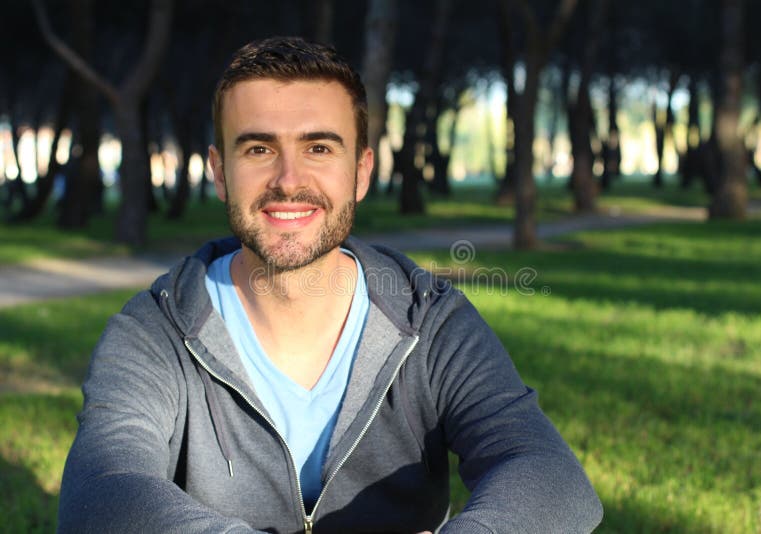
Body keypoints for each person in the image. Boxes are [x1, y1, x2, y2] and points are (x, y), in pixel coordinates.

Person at [58, 37, 602, 534]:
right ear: (220, 173)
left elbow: (547, 472)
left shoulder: (431, 322)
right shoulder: (155, 330)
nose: (289, 180)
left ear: (361, 172)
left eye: (319, 148)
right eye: (258, 149)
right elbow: (100, 489)